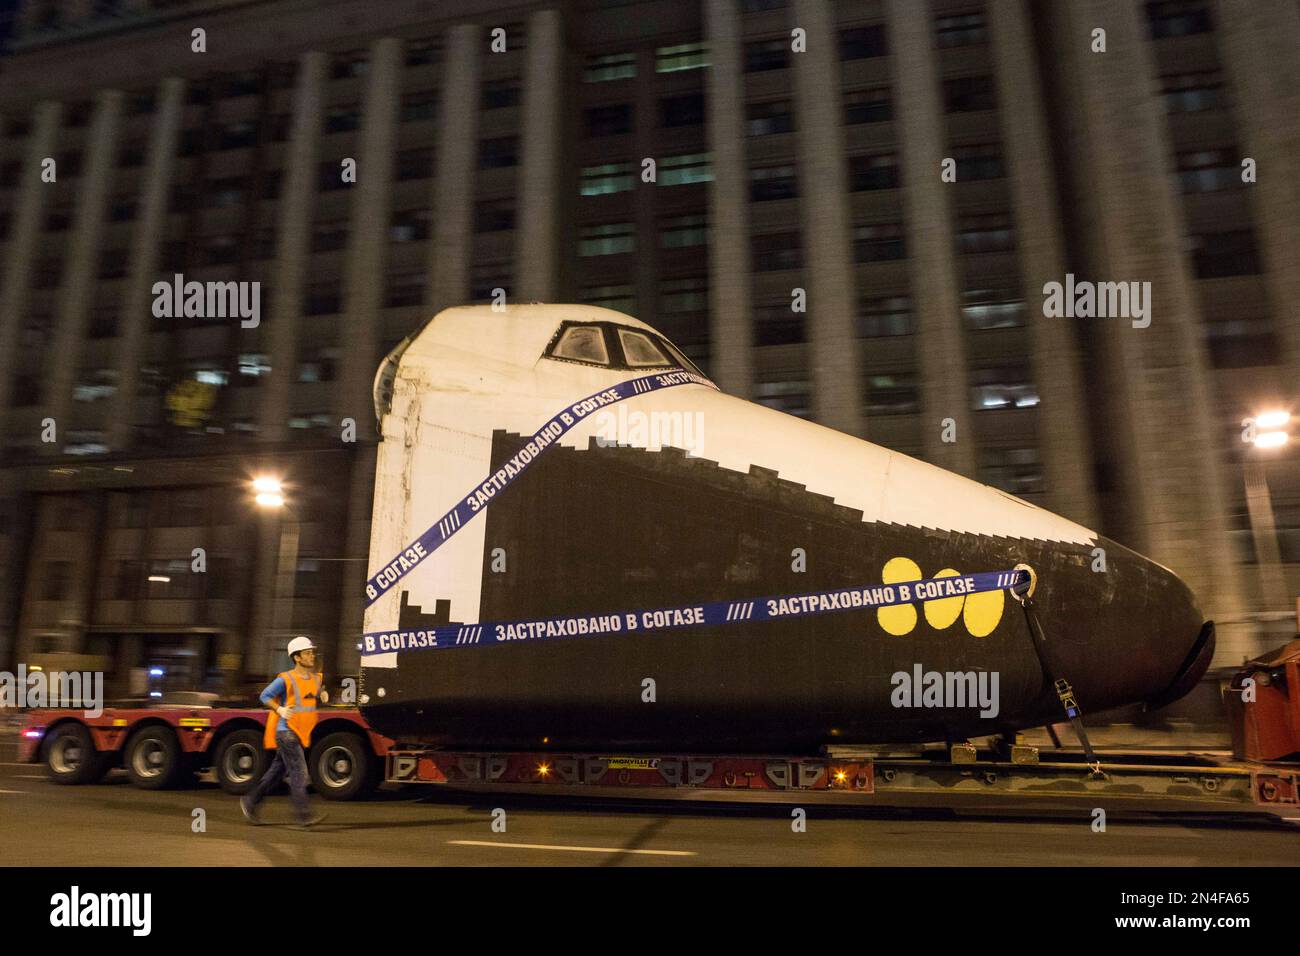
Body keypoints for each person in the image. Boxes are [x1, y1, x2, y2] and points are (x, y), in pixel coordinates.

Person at [240, 636, 328, 828]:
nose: (312, 656)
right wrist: (279, 709)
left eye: (312, 652)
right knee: (299, 771)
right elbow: (265, 696)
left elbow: (311, 692)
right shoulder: (286, 679)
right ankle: (303, 815)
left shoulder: (314, 678)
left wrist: (321, 693)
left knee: (276, 774)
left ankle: (250, 801)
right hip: (286, 731)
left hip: (301, 732)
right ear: (297, 657)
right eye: (307, 653)